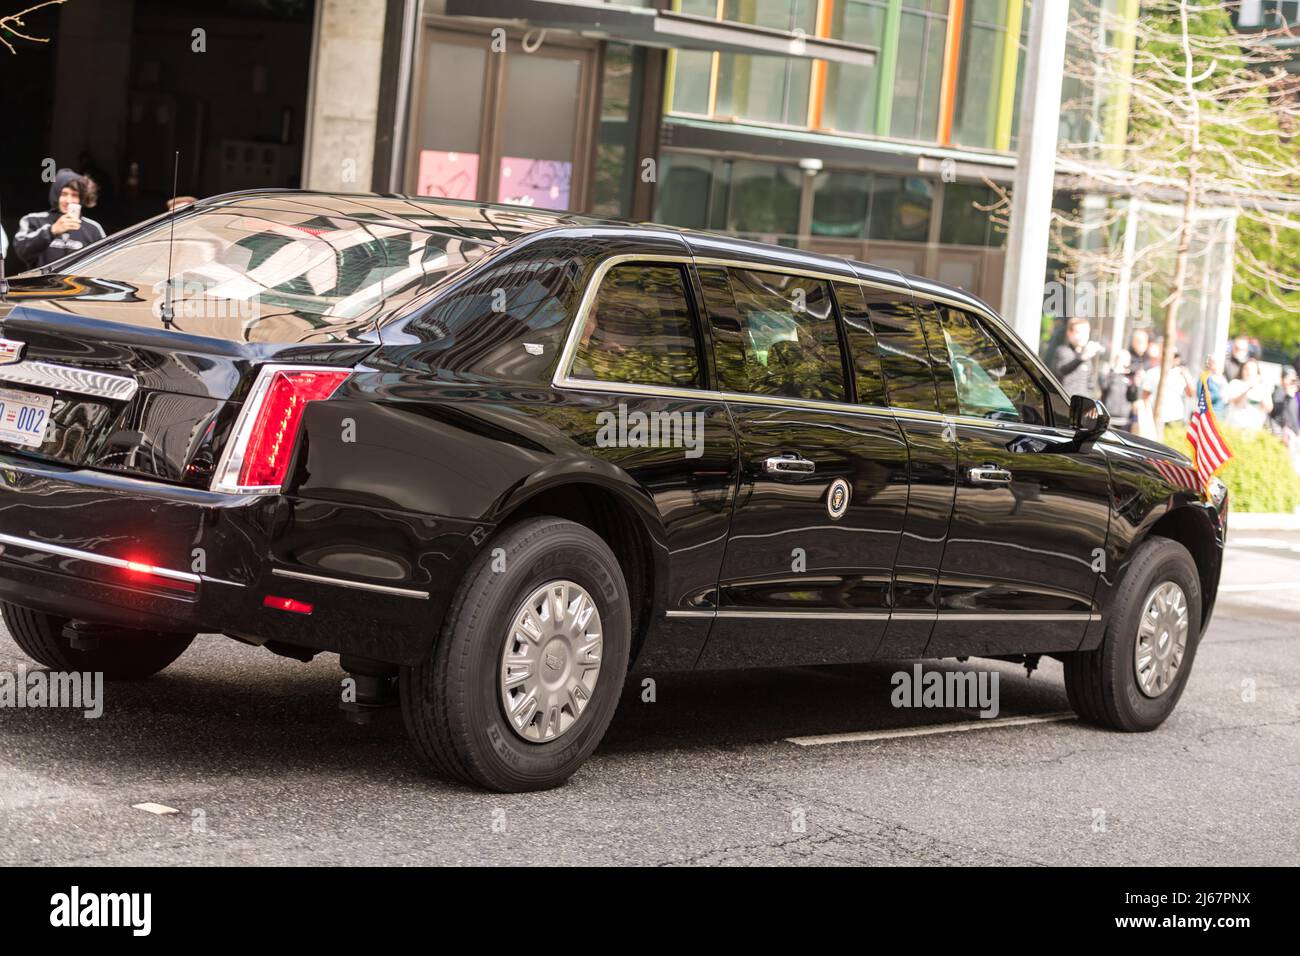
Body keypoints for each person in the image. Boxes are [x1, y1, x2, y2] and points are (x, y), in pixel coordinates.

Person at [13, 169, 105, 269]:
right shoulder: (33, 220)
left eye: (74, 195)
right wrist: (51, 231)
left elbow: (105, 263)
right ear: (56, 195)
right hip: (42, 284)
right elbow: (21, 251)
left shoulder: (93, 229)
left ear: (81, 198)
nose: (69, 201)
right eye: (64, 194)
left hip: (79, 284)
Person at [1051, 317, 1104, 397]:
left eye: (1086, 333)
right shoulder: (1063, 351)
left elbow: (1090, 384)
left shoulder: (1086, 358)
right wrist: (1082, 357)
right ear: (1069, 333)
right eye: (1079, 332)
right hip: (1065, 402)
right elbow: (1061, 371)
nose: (1084, 336)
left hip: (1081, 405)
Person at [1224, 358, 1273, 430]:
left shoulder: (1263, 388)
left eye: (1252, 369)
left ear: (1257, 372)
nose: (1249, 371)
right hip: (1235, 427)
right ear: (1242, 370)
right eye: (1246, 369)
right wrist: (1248, 388)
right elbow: (1235, 402)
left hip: (1253, 429)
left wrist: (1258, 388)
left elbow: (1268, 408)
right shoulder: (1235, 383)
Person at [1100, 350, 1137, 431]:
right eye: (1122, 358)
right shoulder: (1109, 373)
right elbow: (1104, 386)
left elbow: (1133, 397)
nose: (1125, 361)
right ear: (1116, 359)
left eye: (1127, 359)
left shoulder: (1129, 376)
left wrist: (1134, 383)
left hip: (1124, 419)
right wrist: (1115, 372)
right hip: (1109, 417)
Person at [1203, 354, 1228, 419]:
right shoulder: (1205, 378)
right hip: (1208, 413)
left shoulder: (1223, 380)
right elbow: (1203, 397)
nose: (1220, 367)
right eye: (1216, 364)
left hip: (1221, 413)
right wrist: (1219, 395)